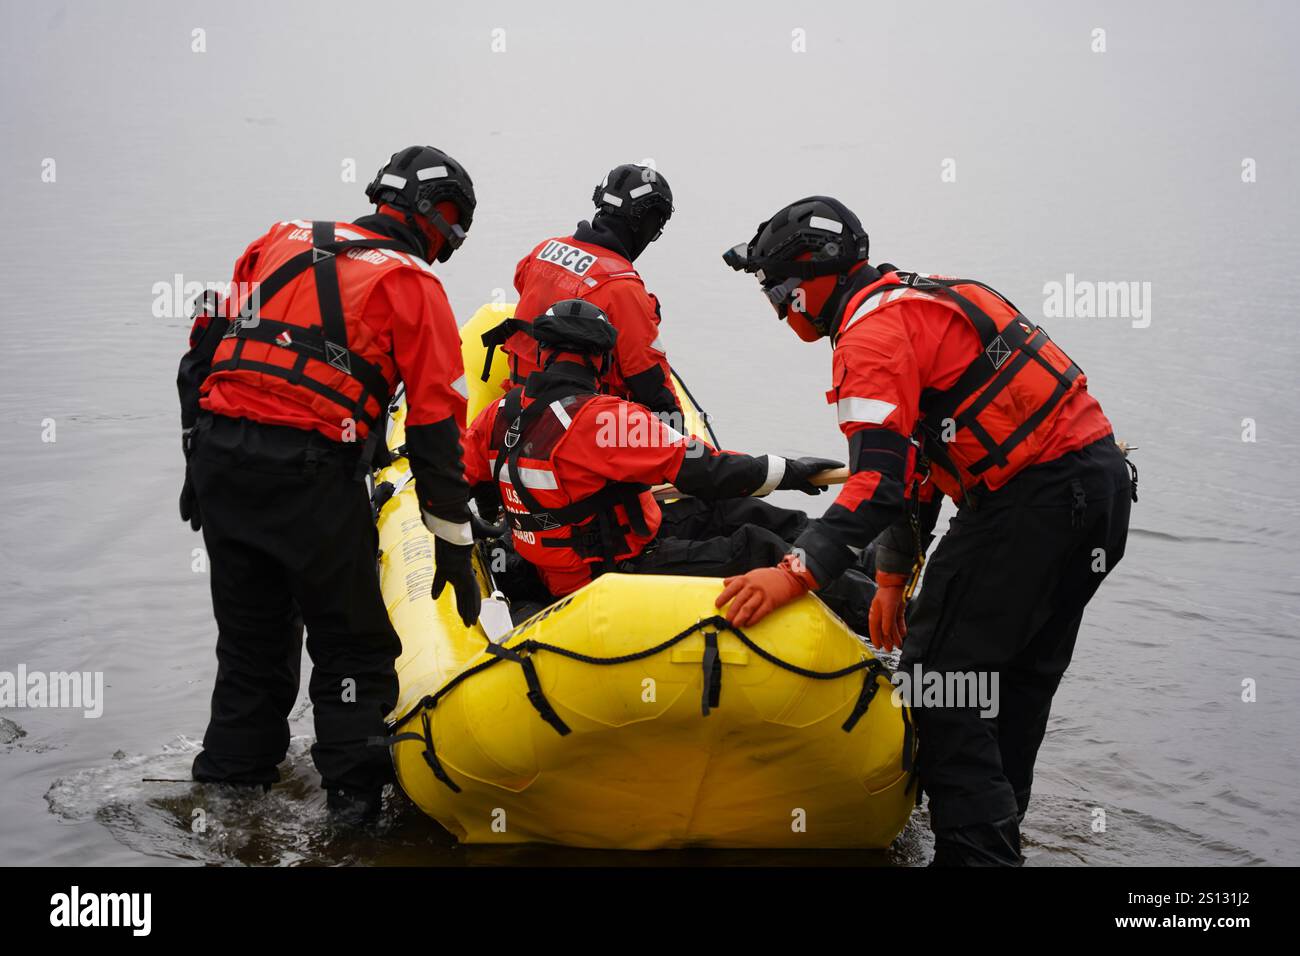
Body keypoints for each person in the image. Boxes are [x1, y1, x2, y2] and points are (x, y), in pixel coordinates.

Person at [716, 196, 1135, 865]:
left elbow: (878, 481)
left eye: (778, 291)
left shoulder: (867, 340)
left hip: (1030, 502)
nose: (777, 309)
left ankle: (976, 856)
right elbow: (922, 461)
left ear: (813, 281)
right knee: (1014, 685)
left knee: (938, 683)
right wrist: (889, 576)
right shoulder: (928, 297)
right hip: (1100, 493)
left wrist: (793, 573)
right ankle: (1002, 838)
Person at [176, 145, 482, 823]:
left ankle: (228, 798)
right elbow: (435, 428)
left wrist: (194, 458)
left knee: (251, 645)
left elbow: (204, 344)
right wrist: (454, 545)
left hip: (223, 460)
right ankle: (355, 812)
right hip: (310, 473)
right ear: (441, 220)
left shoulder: (279, 238)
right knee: (352, 645)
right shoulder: (415, 285)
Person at [462, 299, 876, 627]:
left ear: (544, 352)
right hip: (613, 570)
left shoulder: (497, 414)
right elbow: (705, 469)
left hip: (562, 559)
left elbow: (466, 480)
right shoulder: (605, 419)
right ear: (601, 360)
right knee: (758, 544)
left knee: (733, 509)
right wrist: (791, 471)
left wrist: (490, 524)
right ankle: (883, 617)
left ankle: (865, 568)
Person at [480, 163, 684, 420]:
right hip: (580, 425)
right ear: (644, 222)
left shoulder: (544, 250)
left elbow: (522, 282)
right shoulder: (623, 288)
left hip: (519, 405)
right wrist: (681, 435)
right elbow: (650, 385)